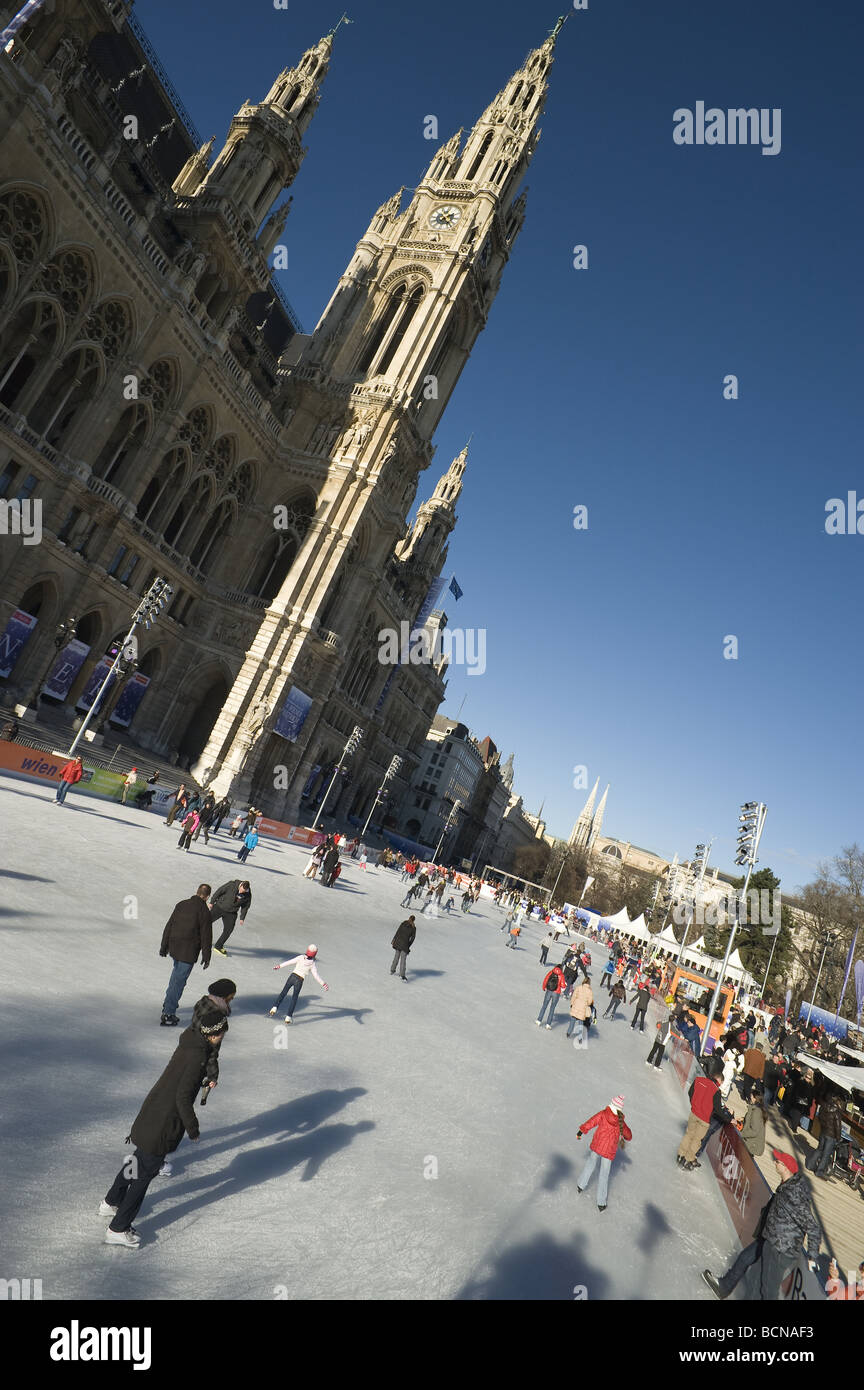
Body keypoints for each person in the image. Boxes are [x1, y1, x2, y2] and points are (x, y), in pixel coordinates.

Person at [99, 1011, 228, 1247]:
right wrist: (193, 1127)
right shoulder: (198, 1055)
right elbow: (182, 1096)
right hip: (164, 1123)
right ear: (215, 1034)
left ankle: (111, 1202)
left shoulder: (189, 1042)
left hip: (152, 1112)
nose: (222, 1038)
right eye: (222, 1033)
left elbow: (181, 1081)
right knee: (143, 1176)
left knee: (137, 1162)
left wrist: (202, 1079)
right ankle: (118, 1228)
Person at [703, 1149, 822, 1301]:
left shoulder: (794, 1194)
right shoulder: (788, 1184)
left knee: (768, 1289)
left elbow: (813, 1227)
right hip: (770, 1238)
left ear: (785, 1167)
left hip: (780, 1248)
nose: (775, 1163)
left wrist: (812, 1256)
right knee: (746, 1260)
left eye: (778, 1162)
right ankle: (723, 1287)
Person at [159, 884, 212, 1026]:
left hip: (175, 947)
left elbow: (169, 925)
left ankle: (168, 1005)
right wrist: (206, 957)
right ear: (207, 897)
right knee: (178, 981)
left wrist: (164, 946)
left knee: (175, 977)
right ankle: (168, 1013)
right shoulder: (204, 911)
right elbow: (206, 936)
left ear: (197, 892)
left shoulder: (181, 904)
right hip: (188, 951)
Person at [576, 1095, 632, 1212]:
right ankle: (601, 1203)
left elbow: (591, 1122)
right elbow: (629, 1136)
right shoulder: (621, 1122)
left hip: (597, 1146)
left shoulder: (603, 1113)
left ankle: (581, 1185)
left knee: (590, 1165)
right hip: (608, 1152)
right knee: (604, 1175)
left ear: (611, 1105)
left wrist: (581, 1131)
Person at [677, 1060, 731, 1170]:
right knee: (697, 1140)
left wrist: (694, 1104)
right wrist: (729, 1119)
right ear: (718, 1080)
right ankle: (688, 1159)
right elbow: (717, 1109)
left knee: (688, 1134)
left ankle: (680, 1155)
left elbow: (690, 1092)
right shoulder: (716, 1090)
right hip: (704, 1119)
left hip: (694, 1113)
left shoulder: (698, 1080)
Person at [269, 945, 329, 1021]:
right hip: (300, 980)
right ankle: (288, 1017)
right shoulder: (312, 964)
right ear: (315, 954)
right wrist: (323, 984)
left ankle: (274, 1007)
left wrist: (279, 966)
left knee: (284, 992)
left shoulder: (300, 957)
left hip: (292, 977)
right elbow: (316, 976)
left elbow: (289, 962)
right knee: (294, 998)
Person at [805, 1091, 843, 1178]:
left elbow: (820, 1117)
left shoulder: (824, 1106)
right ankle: (819, 1171)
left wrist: (823, 1127)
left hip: (823, 1132)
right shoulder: (837, 1112)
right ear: (838, 1102)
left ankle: (810, 1165)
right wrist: (838, 1137)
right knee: (826, 1154)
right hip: (831, 1135)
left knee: (819, 1149)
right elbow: (838, 1127)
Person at [210, 880, 252, 956]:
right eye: (241, 890)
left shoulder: (248, 894)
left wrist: (242, 918)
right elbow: (220, 891)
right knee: (205, 922)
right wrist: (212, 902)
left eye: (243, 891)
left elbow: (245, 906)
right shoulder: (232, 885)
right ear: (241, 885)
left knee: (229, 930)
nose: (241, 892)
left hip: (231, 913)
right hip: (219, 907)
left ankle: (218, 946)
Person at [740, 1084, 767, 1158]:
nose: (750, 1097)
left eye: (751, 1096)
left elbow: (754, 1131)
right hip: (749, 1143)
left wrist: (740, 1134)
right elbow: (752, 1121)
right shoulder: (756, 1109)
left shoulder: (757, 1111)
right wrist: (744, 1119)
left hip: (750, 1145)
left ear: (755, 1098)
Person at [567, 976, 594, 1045]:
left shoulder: (579, 987)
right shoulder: (590, 991)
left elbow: (574, 996)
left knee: (572, 1020)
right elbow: (590, 1001)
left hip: (576, 1005)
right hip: (583, 1008)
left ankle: (568, 1033)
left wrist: (572, 1003)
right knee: (580, 1024)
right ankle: (579, 1038)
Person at [390, 915, 416, 980]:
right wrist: (408, 945)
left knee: (396, 957)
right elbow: (412, 939)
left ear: (409, 918)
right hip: (405, 945)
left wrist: (394, 939)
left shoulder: (403, 923)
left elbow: (398, 932)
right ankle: (402, 975)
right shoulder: (413, 928)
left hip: (398, 942)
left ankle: (392, 970)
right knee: (403, 960)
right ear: (414, 920)